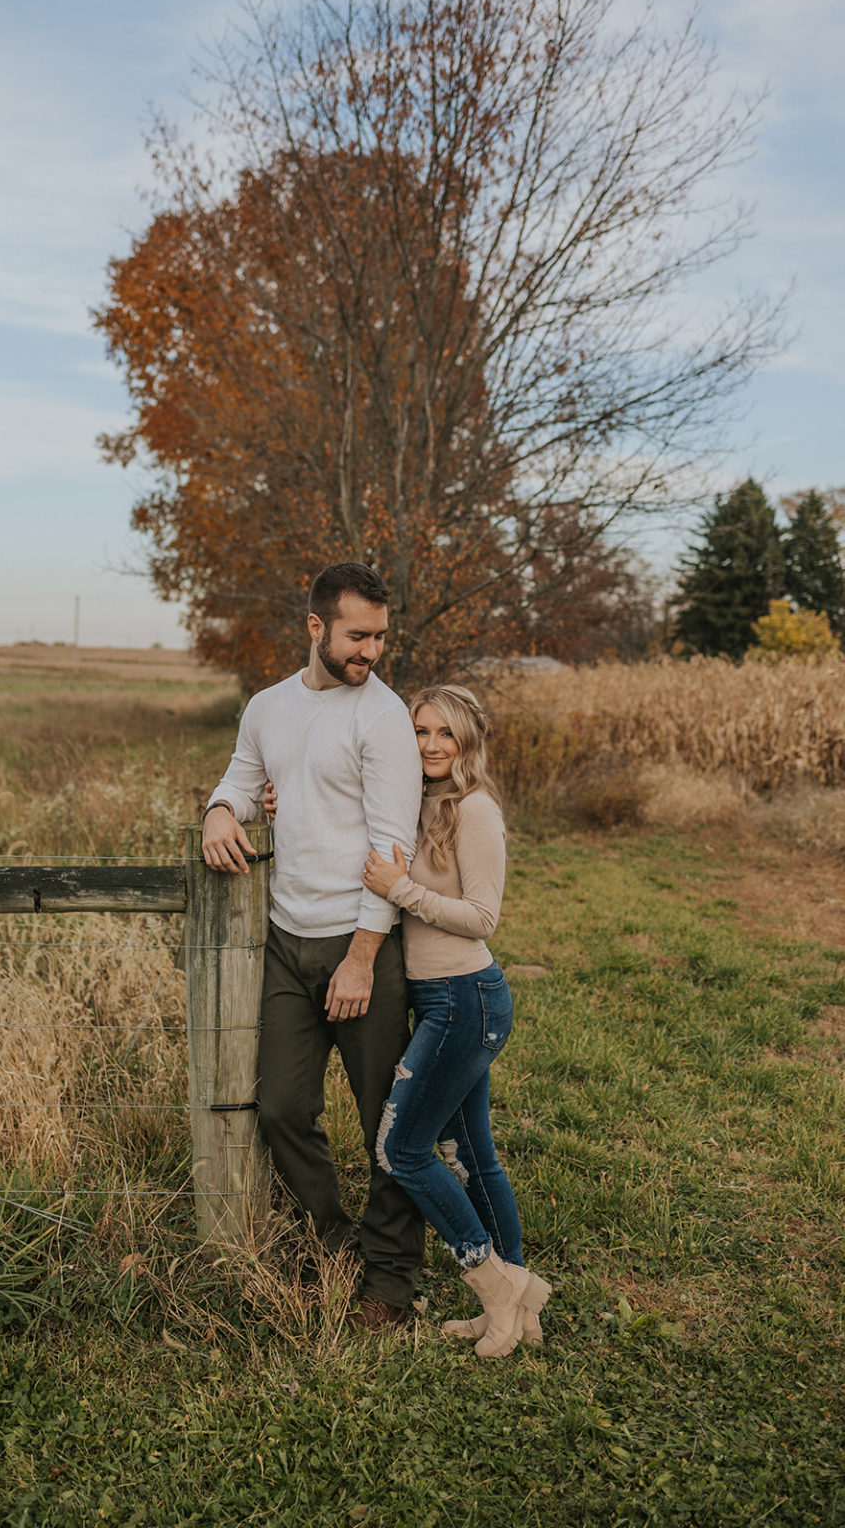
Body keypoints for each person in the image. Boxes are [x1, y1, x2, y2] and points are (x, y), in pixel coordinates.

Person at [201, 562, 425, 1328]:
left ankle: (391, 1282)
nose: (370, 651)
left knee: (385, 1124)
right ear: (315, 627)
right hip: (285, 943)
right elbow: (241, 775)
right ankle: (333, 1244)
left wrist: (363, 956)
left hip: (361, 946)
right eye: (357, 636)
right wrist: (220, 814)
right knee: (281, 1109)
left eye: (380, 637)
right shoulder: (268, 706)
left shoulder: (382, 715)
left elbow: (393, 847)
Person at [361, 684, 551, 1358]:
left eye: (446, 734)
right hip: (441, 999)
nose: (433, 745)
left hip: (463, 996)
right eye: (421, 732)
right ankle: (519, 1301)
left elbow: (482, 916)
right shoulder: (418, 803)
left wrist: (400, 891)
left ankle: (490, 1282)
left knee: (401, 1149)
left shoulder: (475, 810)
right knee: (470, 1155)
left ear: (468, 742)